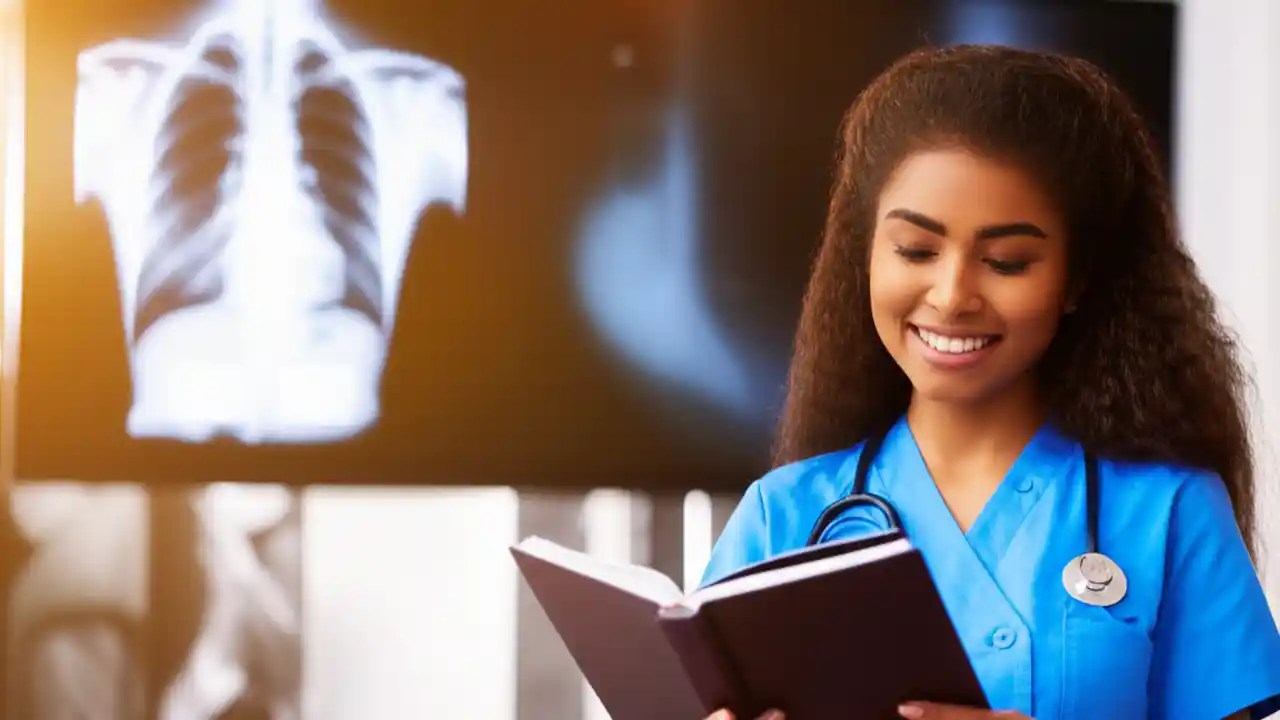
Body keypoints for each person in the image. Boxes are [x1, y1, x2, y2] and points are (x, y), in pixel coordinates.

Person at [698, 45, 1280, 720]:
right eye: (915, 250)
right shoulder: (784, 517)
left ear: (1077, 279)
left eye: (1006, 262)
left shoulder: (1167, 511)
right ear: (864, 258)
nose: (950, 296)